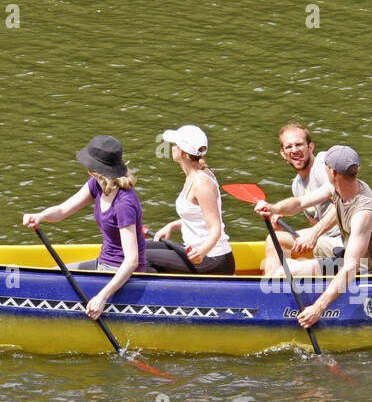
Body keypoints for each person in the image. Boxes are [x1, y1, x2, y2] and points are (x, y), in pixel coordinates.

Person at [253, 145, 372, 328]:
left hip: (371, 271)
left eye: (325, 166)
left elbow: (351, 267)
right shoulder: (339, 188)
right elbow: (300, 203)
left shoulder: (363, 215)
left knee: (289, 272)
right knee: (285, 265)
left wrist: (318, 308)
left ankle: (273, 311)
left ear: (332, 172)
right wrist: (273, 208)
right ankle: (272, 304)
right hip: (347, 256)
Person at [21, 134, 145, 320]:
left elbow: (132, 260)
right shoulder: (97, 184)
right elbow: (63, 210)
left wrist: (102, 297)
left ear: (96, 169)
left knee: (53, 285)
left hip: (119, 271)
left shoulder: (124, 204)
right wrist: (40, 216)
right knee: (50, 278)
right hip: (102, 262)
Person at [145, 124, 236, 274]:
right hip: (193, 249)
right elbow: (198, 218)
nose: (171, 147)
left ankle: (162, 295)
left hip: (212, 259)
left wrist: (201, 252)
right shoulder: (194, 175)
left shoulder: (201, 183)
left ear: (180, 151)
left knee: (143, 257)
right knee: (139, 248)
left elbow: (215, 227)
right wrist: (171, 226)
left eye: (174, 144)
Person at [260, 122, 343, 273]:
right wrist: (278, 224)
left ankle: (271, 286)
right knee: (276, 236)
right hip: (328, 241)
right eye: (289, 147)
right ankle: (280, 281)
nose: (294, 150)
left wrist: (313, 234)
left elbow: (343, 203)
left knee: (275, 240)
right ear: (283, 154)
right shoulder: (296, 185)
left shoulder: (322, 166)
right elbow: (316, 222)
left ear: (310, 147)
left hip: (347, 242)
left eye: (299, 144)